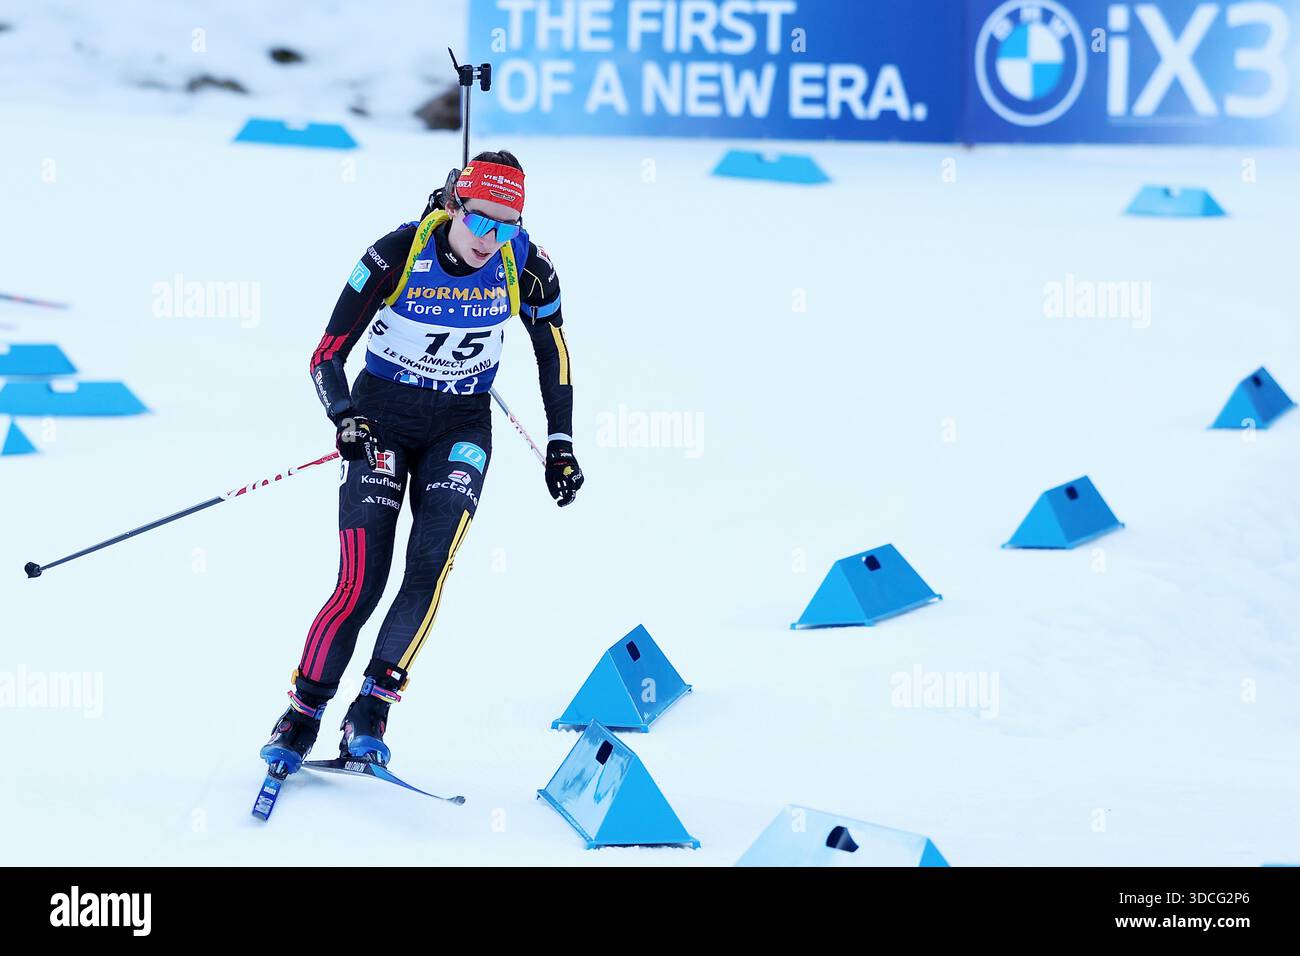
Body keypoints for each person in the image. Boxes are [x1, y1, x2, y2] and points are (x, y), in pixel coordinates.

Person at [260, 151, 583, 774]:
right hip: (382, 419)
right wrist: (344, 416)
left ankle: (371, 712)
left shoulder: (529, 266)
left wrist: (561, 443)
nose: (492, 239)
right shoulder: (395, 252)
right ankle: (302, 715)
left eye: (507, 225)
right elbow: (325, 356)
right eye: (481, 222)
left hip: (461, 426)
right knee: (361, 581)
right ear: (455, 207)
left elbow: (555, 357)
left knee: (429, 567)